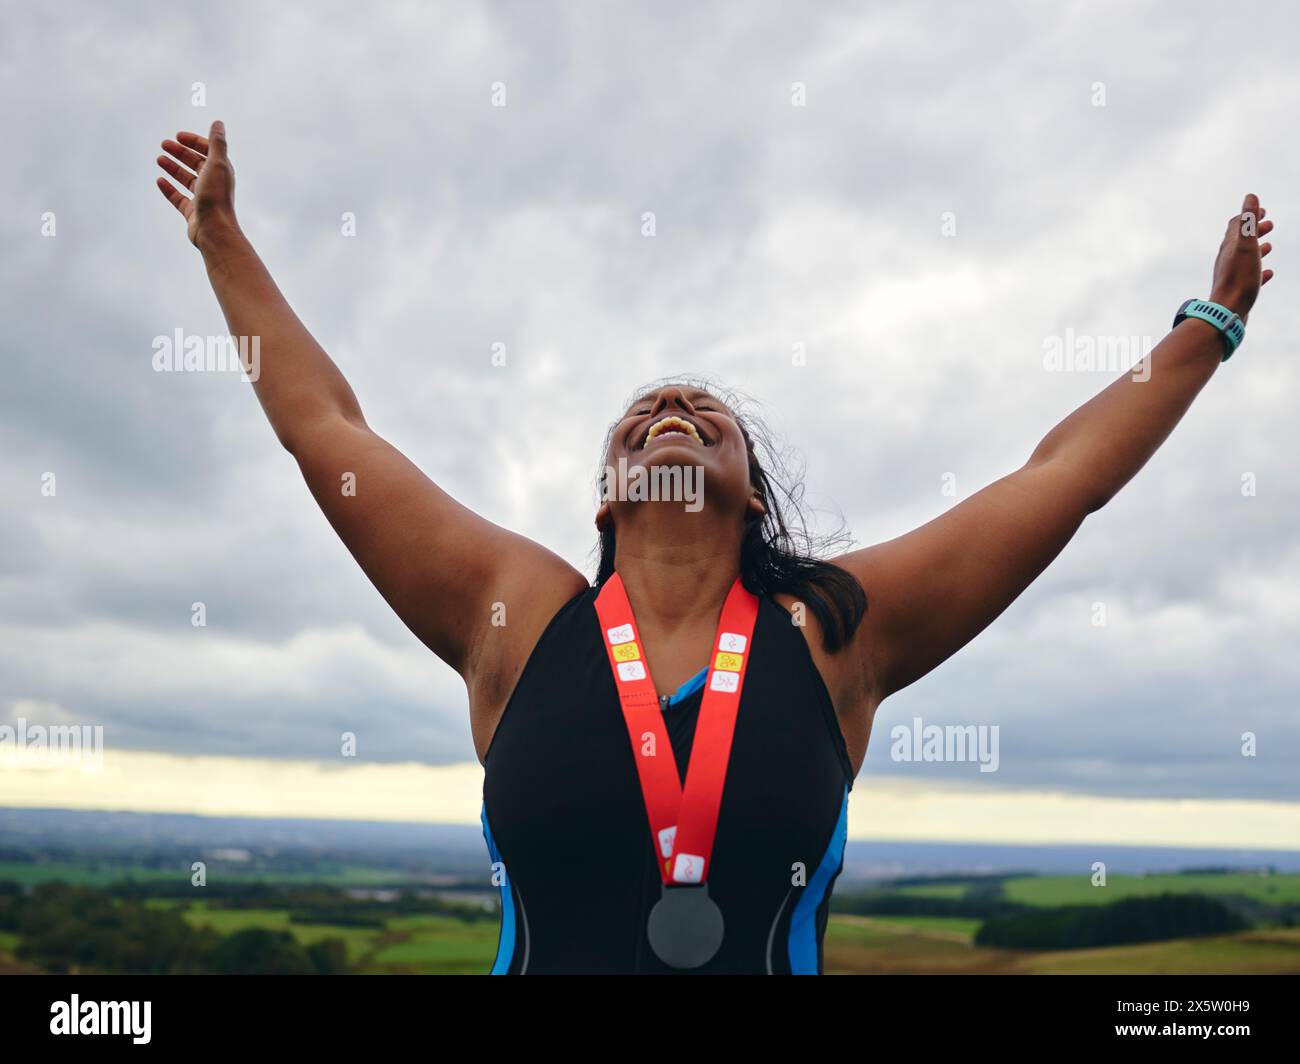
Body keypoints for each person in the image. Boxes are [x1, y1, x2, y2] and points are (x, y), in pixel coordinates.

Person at [157, 121, 1274, 974]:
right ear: (605, 500)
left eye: (705, 411)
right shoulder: (517, 611)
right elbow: (331, 434)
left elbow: (1056, 480)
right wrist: (220, 240)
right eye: (641, 414)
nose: (673, 410)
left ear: (751, 498)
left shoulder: (837, 630)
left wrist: (1205, 328)